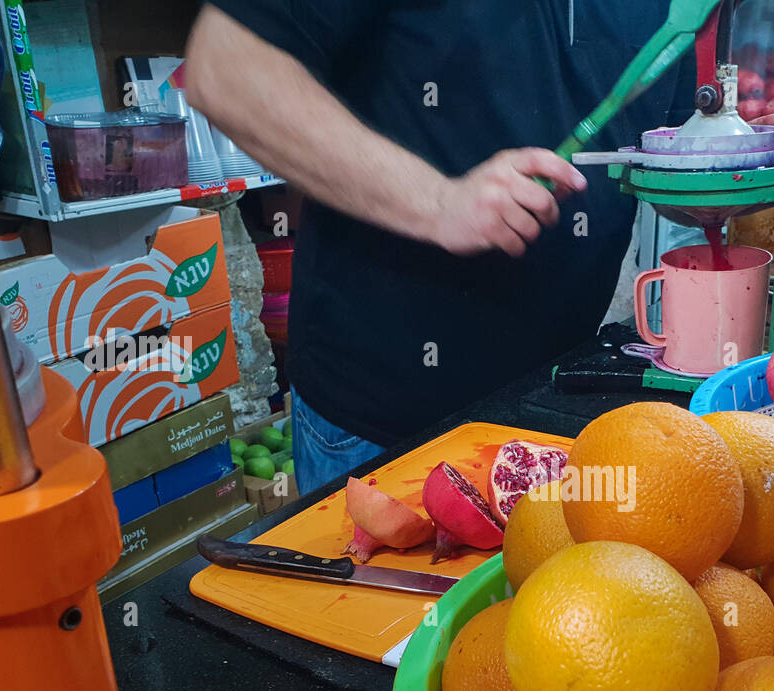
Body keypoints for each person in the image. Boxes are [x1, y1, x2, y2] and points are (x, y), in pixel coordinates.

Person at [185, 2, 705, 492]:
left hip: (552, 406)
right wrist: (435, 201)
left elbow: (665, 156)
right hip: (376, 419)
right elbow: (226, 69)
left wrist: (731, 162)